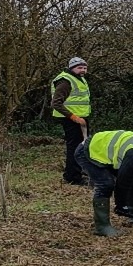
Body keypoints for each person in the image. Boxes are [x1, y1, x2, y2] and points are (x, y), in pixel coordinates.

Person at [50, 57, 91, 185]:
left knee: (83, 146)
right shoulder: (65, 81)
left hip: (81, 119)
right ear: (72, 68)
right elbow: (56, 103)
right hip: (71, 119)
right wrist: (74, 117)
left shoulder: (79, 79)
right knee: (75, 147)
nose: (83, 70)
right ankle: (73, 177)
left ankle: (80, 171)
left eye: (84, 68)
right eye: (79, 68)